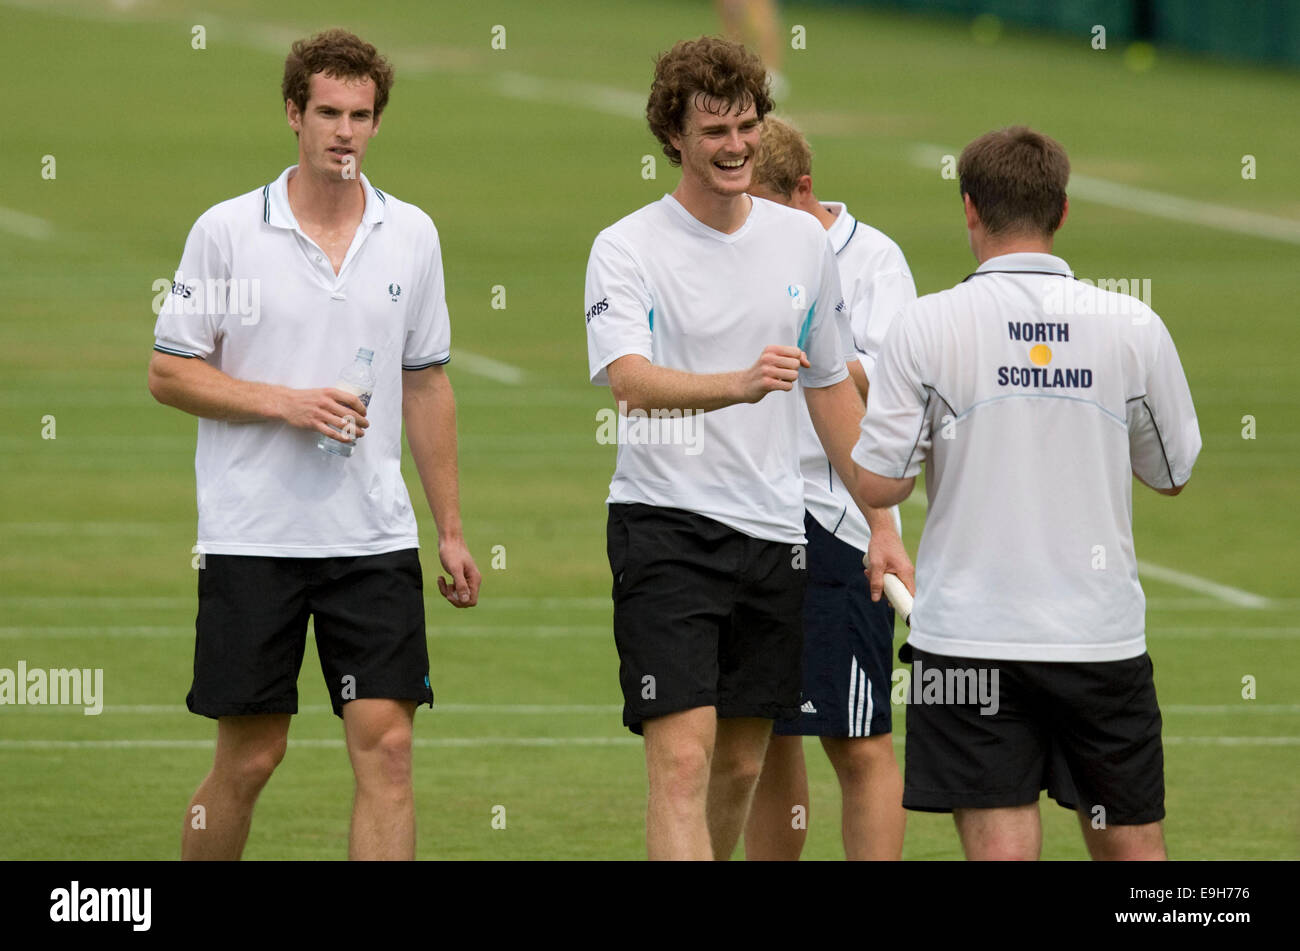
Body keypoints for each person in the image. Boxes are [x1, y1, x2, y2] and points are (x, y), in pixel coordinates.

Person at [148, 28, 481, 861]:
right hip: (253, 535)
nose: (344, 131)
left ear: (377, 123)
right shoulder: (227, 232)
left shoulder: (412, 235)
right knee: (253, 756)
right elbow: (168, 372)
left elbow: (427, 380)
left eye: (360, 115)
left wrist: (449, 527)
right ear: (293, 114)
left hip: (372, 538)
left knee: (390, 750)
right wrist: (285, 402)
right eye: (328, 112)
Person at [584, 36, 912, 861]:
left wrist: (881, 523)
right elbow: (629, 379)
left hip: (777, 534)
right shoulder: (625, 247)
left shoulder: (802, 244)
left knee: (739, 760)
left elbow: (833, 391)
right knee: (684, 754)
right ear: (673, 136)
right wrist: (738, 383)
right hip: (664, 527)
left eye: (747, 127)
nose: (736, 147)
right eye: (715, 131)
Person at [851, 126, 1201, 860]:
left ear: (970, 209)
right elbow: (1172, 472)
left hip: (967, 640)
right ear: (1063, 211)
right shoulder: (1132, 324)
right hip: (1098, 639)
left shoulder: (926, 323)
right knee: (1135, 856)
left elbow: (883, 480)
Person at [743, 117, 913, 860]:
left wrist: (815, 355)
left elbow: (891, 379)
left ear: (803, 191)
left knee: (857, 736)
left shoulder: (873, 261)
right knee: (763, 738)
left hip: (838, 517)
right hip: (747, 509)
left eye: (758, 201)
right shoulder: (739, 243)